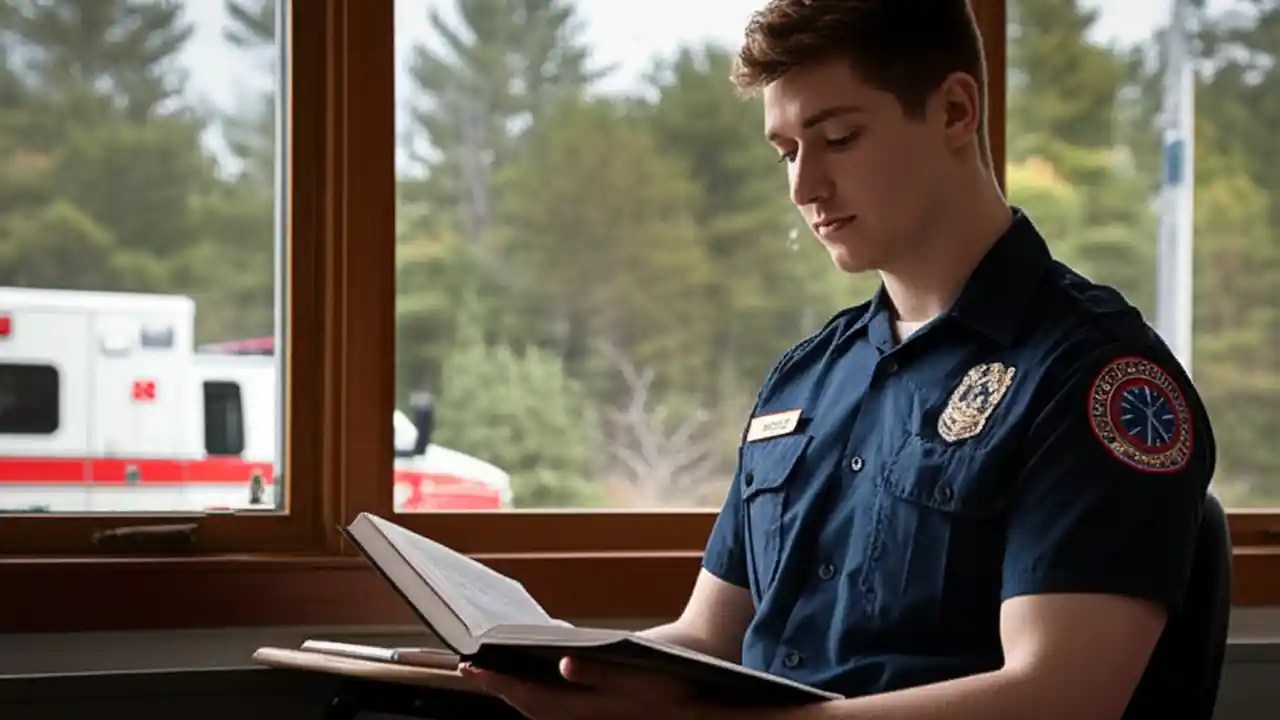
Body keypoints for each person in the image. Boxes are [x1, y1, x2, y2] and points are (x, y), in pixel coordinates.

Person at [460, 0, 1217, 717]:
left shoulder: (1095, 377)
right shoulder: (807, 378)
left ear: (956, 110)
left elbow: (1057, 700)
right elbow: (705, 638)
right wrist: (534, 673)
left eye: (840, 138)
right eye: (786, 150)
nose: (803, 185)